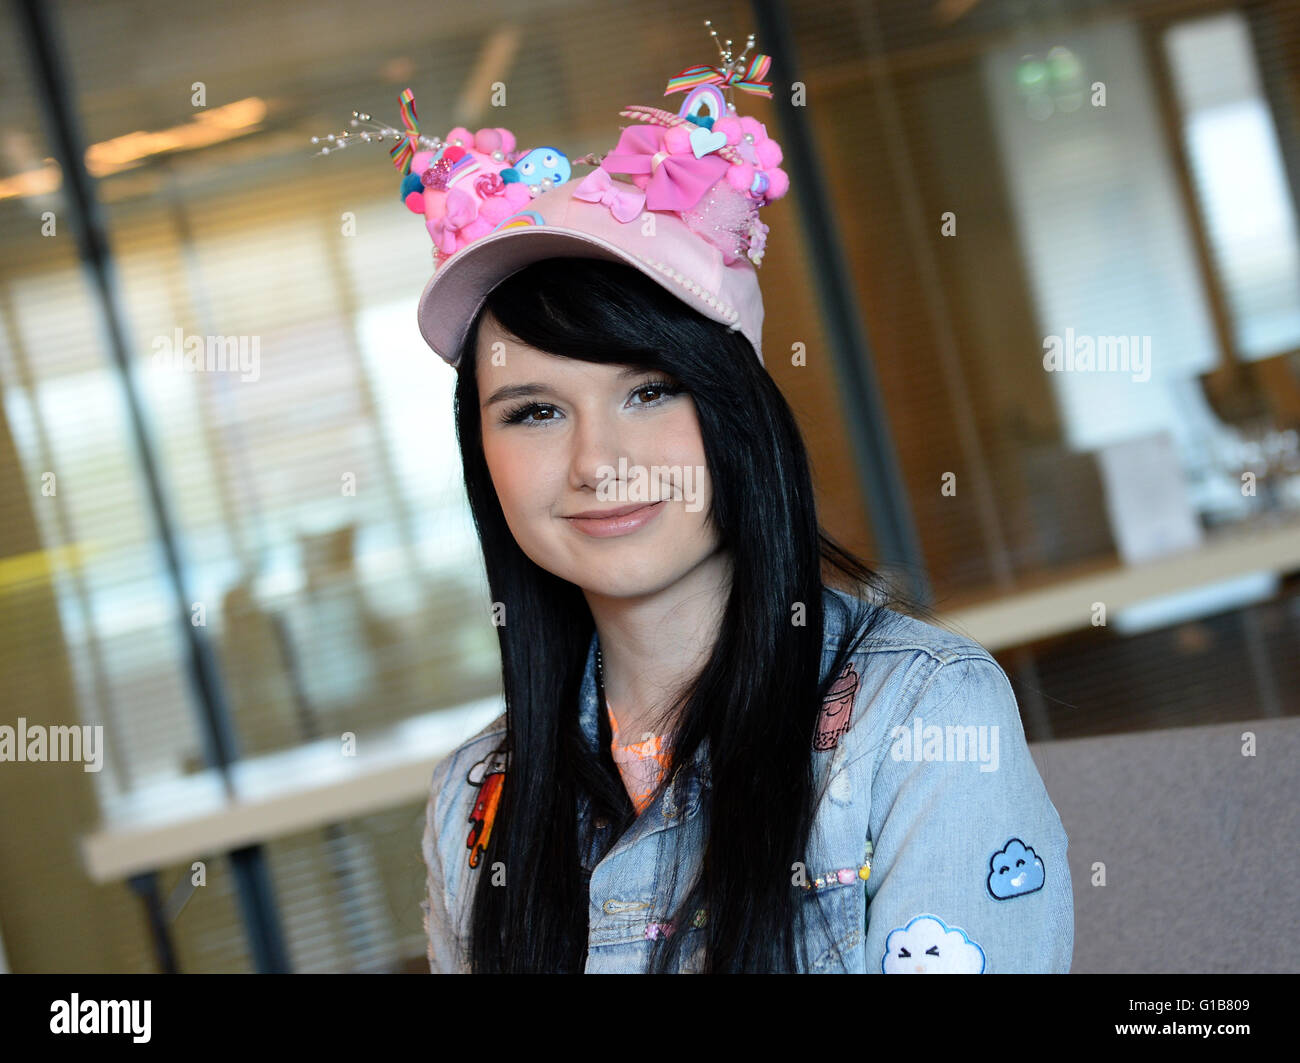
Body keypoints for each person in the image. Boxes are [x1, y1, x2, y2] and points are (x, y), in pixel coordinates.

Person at [325, 28, 1074, 972]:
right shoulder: (475, 800)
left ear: (737, 412)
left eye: (649, 391)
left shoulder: (917, 715)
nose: (598, 462)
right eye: (535, 411)